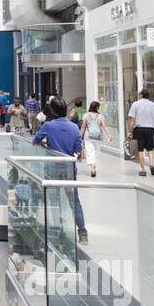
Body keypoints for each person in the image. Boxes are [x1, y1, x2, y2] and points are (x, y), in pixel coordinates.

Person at [32, 98, 88, 242]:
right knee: (74, 201)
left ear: (53, 111)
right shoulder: (74, 128)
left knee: (53, 201)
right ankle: (82, 233)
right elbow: (78, 150)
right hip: (69, 168)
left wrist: (47, 146)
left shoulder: (49, 126)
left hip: (52, 167)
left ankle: (57, 231)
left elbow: (35, 140)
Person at [127, 88, 154, 177]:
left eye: (139, 94)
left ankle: (143, 170)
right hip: (150, 129)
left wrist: (129, 131)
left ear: (141, 95)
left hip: (138, 129)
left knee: (140, 150)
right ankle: (151, 165)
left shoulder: (135, 104)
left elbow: (132, 119)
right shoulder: (153, 105)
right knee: (150, 148)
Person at [80, 100, 112, 177]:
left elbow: (83, 127)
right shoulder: (100, 116)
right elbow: (104, 126)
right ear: (97, 107)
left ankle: (92, 168)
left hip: (88, 136)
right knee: (96, 152)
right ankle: (94, 166)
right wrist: (109, 135)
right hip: (98, 137)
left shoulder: (86, 115)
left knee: (90, 152)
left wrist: (79, 137)